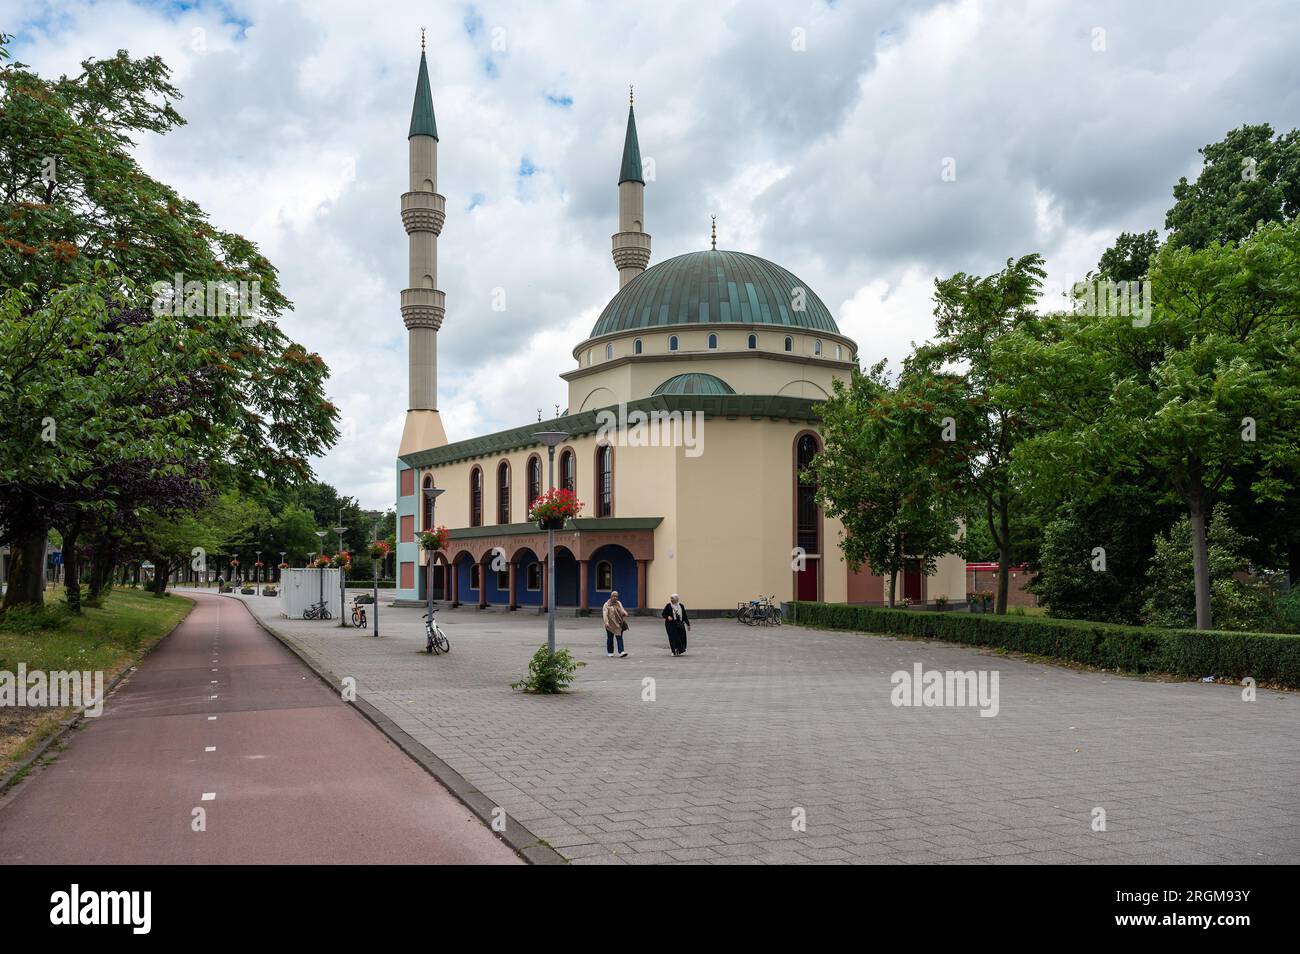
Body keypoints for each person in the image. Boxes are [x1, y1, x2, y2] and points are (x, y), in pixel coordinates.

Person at [602, 591, 629, 658]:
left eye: (616, 596)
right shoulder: (606, 604)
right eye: (613, 596)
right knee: (610, 638)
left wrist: (625, 613)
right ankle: (610, 652)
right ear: (611, 596)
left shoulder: (619, 603)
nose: (615, 597)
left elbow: (622, 610)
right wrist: (606, 622)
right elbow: (605, 614)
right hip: (610, 624)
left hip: (618, 624)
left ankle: (621, 652)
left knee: (619, 638)